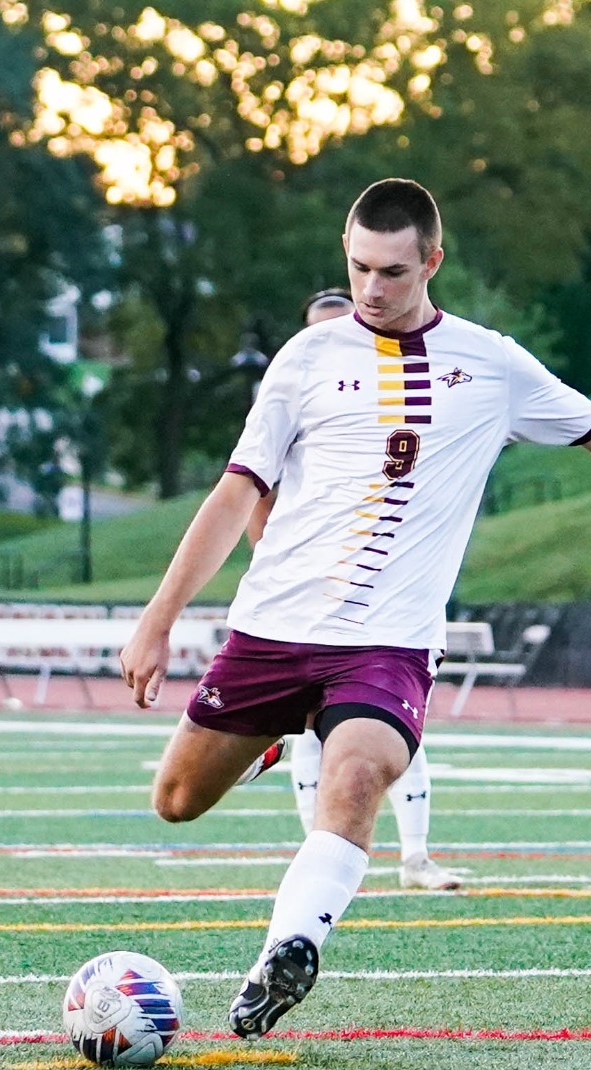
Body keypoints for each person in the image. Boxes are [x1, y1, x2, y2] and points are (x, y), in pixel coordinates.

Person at [119, 178, 591, 1040]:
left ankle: (290, 948)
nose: (371, 290)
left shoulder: (492, 363)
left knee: (355, 779)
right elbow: (239, 489)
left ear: (433, 259)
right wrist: (161, 614)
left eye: (391, 271)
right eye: (357, 268)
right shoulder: (305, 359)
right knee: (176, 799)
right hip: (275, 628)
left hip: (388, 644)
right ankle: (277, 733)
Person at [249, 287, 460, 892]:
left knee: (398, 726)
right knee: (310, 734)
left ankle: (415, 857)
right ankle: (319, 857)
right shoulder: (295, 394)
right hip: (312, 597)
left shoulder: (413, 396)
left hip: (397, 597)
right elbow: (252, 490)